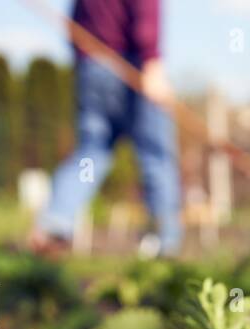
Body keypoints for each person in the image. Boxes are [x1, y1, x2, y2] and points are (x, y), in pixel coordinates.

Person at [30, 0, 180, 257]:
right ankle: (164, 241)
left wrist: (85, 61)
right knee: (154, 153)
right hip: (131, 65)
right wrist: (152, 62)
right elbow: (145, 8)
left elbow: (74, 22)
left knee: (93, 150)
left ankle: (55, 221)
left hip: (91, 66)